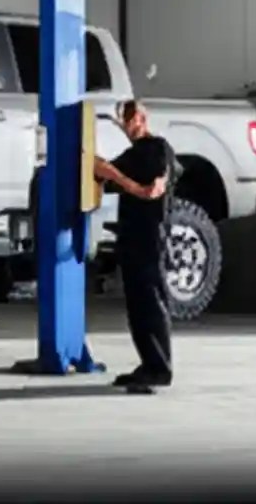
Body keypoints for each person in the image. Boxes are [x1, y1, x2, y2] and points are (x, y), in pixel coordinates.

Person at [92, 99, 180, 394]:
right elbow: (100, 170)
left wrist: (121, 179)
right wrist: (114, 175)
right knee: (137, 307)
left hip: (150, 238)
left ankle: (159, 368)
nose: (127, 126)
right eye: (122, 121)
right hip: (132, 239)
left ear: (142, 118)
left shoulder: (157, 148)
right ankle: (149, 364)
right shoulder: (132, 155)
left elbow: (156, 186)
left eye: (129, 119)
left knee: (151, 303)